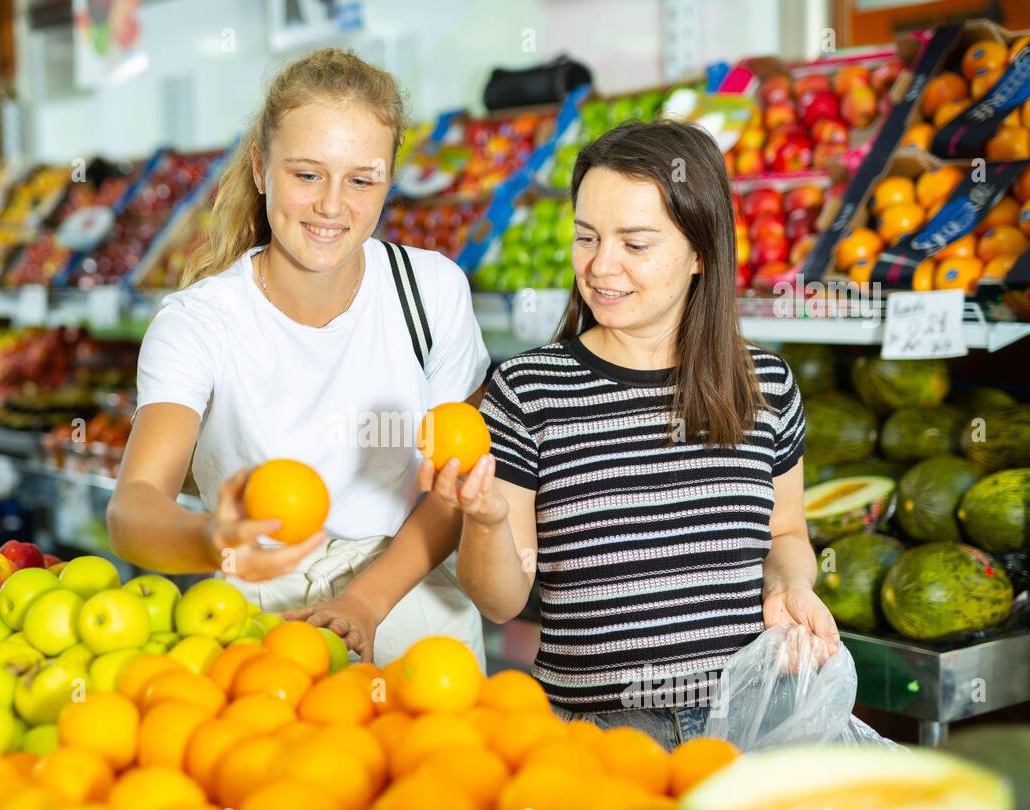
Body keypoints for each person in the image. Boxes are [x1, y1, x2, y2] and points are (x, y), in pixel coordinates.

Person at [425, 120, 840, 751]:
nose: (599, 266)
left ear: (700, 252)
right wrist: (482, 523)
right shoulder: (529, 390)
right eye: (585, 237)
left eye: (635, 244)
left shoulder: (766, 384)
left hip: (747, 730)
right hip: (599, 743)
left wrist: (790, 584)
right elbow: (501, 602)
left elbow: (785, 533)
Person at [109, 48, 491, 667]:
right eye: (307, 175)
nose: (331, 206)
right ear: (261, 169)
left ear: (388, 181)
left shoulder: (432, 290)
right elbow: (133, 508)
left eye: (361, 179)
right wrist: (215, 539)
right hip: (262, 617)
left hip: (407, 596)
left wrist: (365, 602)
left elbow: (454, 485)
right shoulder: (197, 324)